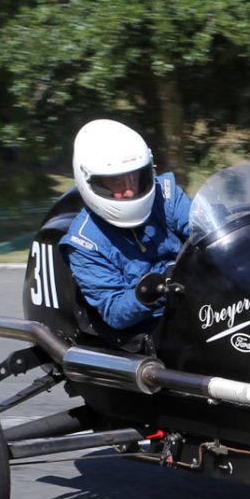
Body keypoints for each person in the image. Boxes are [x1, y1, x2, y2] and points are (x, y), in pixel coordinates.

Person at [61, 119, 191, 346]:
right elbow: (114, 311)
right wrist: (149, 292)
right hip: (152, 333)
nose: (130, 189)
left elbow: (204, 229)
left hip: (198, 303)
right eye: (116, 181)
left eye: (135, 177)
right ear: (90, 182)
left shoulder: (167, 194)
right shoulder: (83, 242)